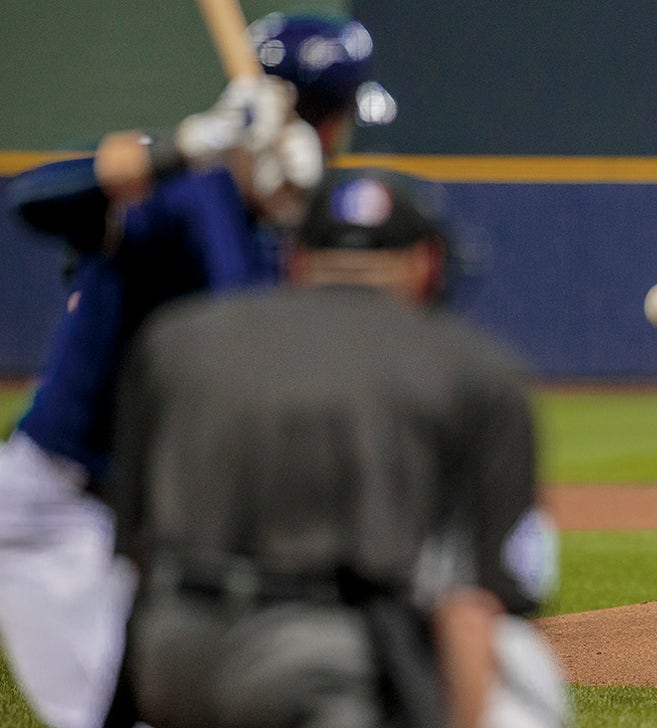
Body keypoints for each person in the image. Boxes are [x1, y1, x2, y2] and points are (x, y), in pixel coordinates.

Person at [0, 13, 392, 728]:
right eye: (341, 119)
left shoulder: (272, 225)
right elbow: (34, 203)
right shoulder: (189, 195)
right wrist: (185, 149)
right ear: (326, 122)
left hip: (150, 520)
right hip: (60, 515)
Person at [109, 167, 570, 728]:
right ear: (427, 265)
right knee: (523, 680)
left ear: (297, 259)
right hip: (320, 663)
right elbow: (472, 606)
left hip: (172, 654)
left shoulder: (175, 339)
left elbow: (127, 546)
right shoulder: (472, 368)